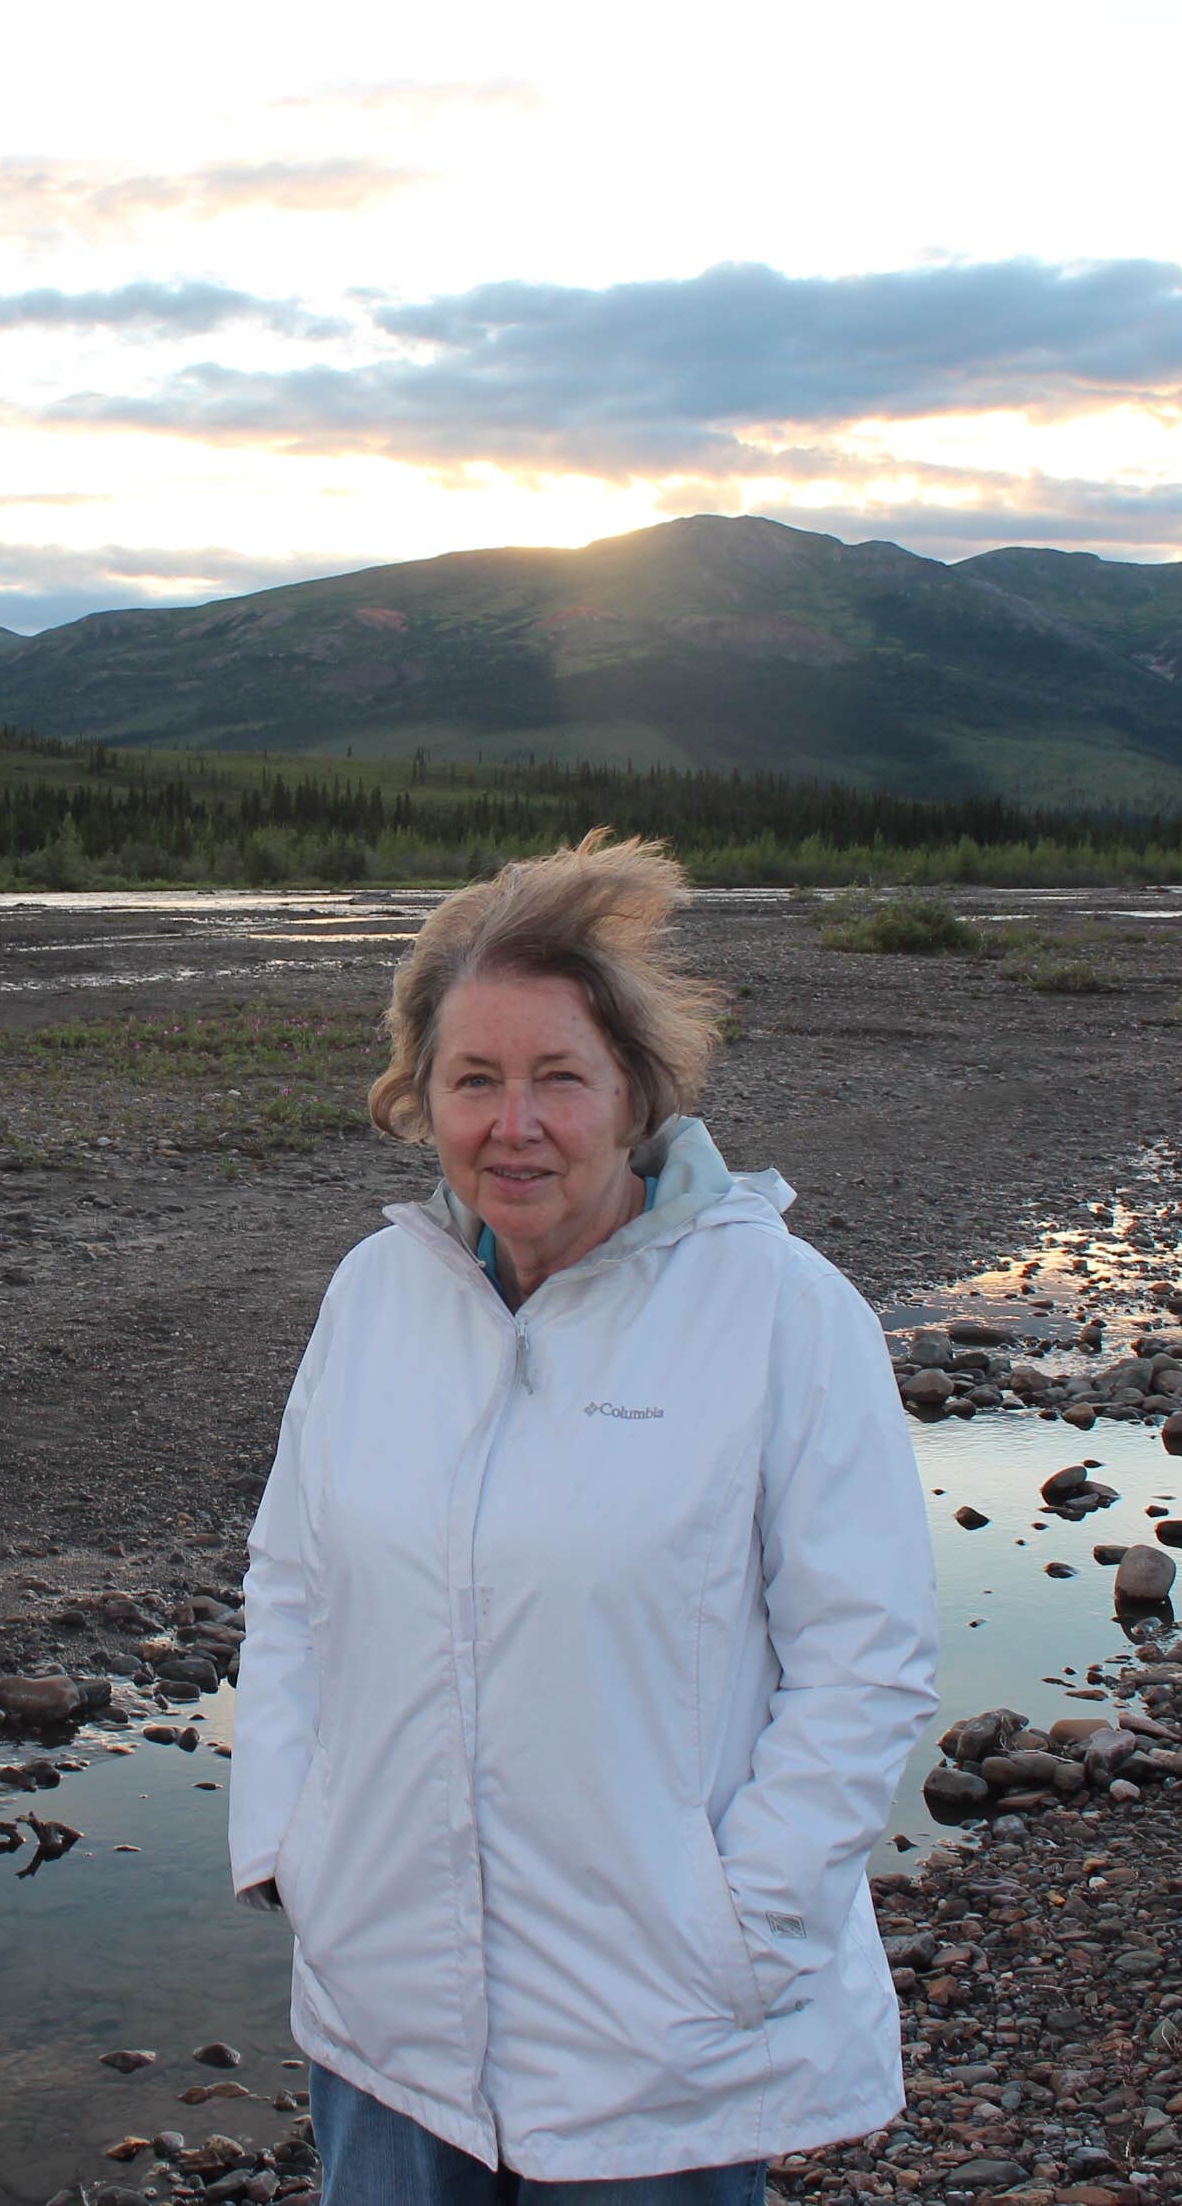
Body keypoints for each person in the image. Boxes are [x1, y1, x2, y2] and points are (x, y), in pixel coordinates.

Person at [228, 832, 939, 2202]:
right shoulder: (376, 1296)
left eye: (560, 1077)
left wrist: (742, 1932)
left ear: (635, 1093)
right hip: (387, 2025)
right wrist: (289, 1847)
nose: (517, 1124)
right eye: (474, 1080)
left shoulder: (781, 1313)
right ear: (421, 1097)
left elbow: (867, 1661)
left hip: (655, 2049)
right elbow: (293, 1582)